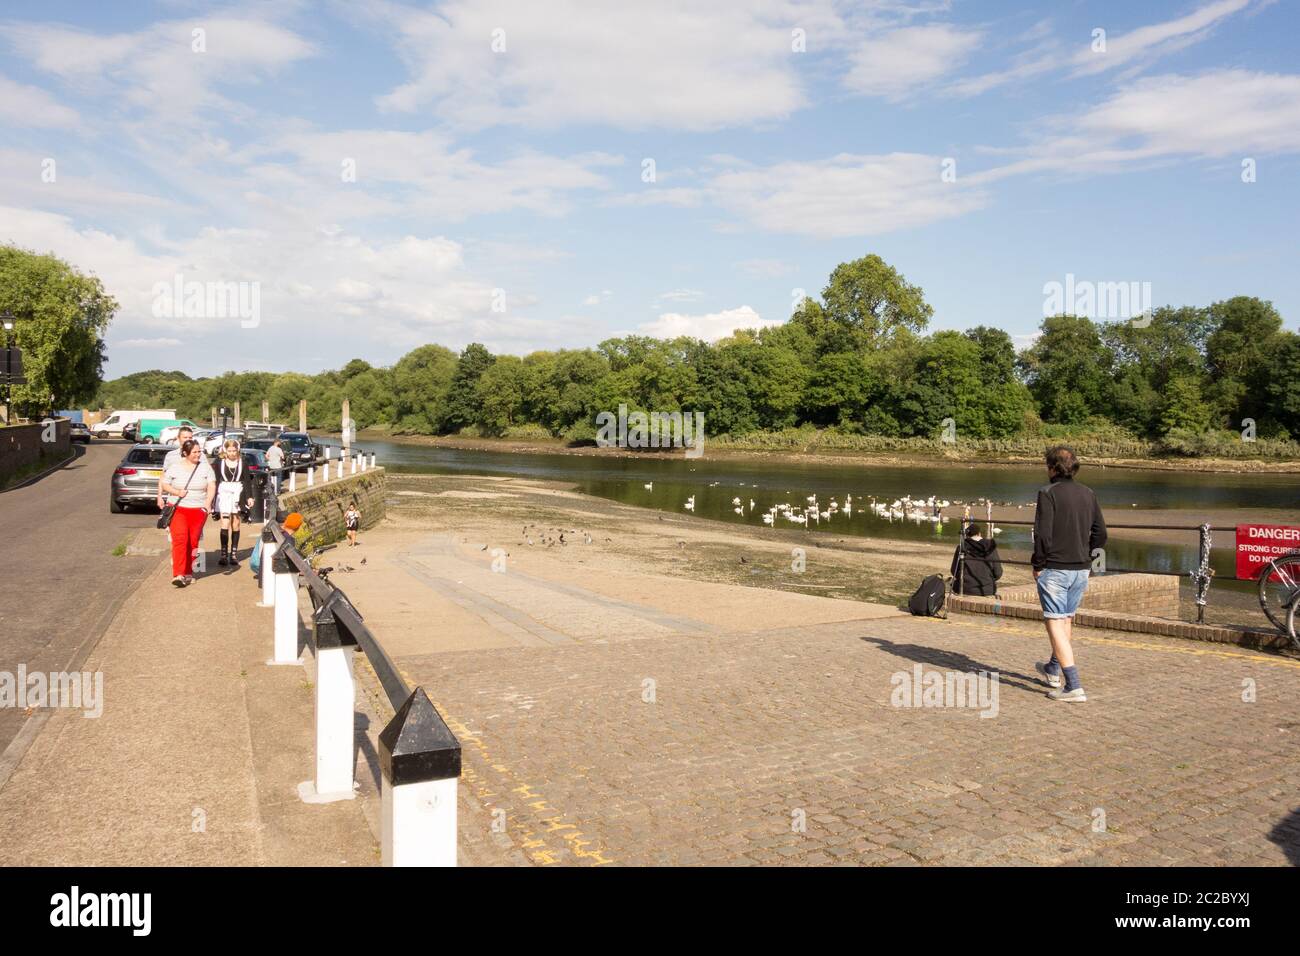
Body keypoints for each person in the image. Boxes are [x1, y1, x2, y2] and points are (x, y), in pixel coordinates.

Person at [1032, 445, 1107, 702]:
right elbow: (1101, 533)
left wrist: (1038, 564)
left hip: (1055, 567)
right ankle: (1053, 668)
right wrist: (1089, 555)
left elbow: (1042, 534)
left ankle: (1073, 685)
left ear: (1052, 468)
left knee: (1054, 621)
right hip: (1081, 568)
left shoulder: (1047, 493)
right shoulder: (1088, 493)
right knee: (1065, 619)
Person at [160, 438, 216, 587]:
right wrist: (176, 491)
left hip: (198, 510)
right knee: (180, 539)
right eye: (194, 452)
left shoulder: (205, 467)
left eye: (199, 451)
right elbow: (164, 483)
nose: (198, 455)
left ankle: (188, 572)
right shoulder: (175, 467)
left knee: (193, 541)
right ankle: (178, 574)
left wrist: (207, 504)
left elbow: (211, 486)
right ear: (185, 453)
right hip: (178, 508)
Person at [214, 439, 255, 568]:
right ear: (225, 451)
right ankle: (223, 554)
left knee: (236, 523)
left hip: (238, 492)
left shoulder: (243, 463)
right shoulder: (219, 463)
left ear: (238, 450)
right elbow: (215, 481)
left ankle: (233, 554)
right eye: (229, 451)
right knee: (225, 522)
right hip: (224, 493)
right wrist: (212, 499)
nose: (232, 453)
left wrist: (249, 497)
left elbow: (247, 481)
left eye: (234, 451)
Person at [950, 524, 1003, 596]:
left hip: (965, 587)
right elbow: (998, 572)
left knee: (952, 583)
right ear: (979, 533)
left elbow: (954, 570)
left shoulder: (962, 547)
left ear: (968, 535)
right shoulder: (990, 547)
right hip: (986, 589)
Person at [250, 511, 304, 581]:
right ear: (297, 528)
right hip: (267, 570)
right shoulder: (288, 539)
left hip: (257, 564)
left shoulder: (276, 531)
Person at [156, 424, 195, 508]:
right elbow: (163, 477)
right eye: (185, 437)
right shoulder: (171, 456)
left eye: (190, 437)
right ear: (178, 438)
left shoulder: (200, 455)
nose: (188, 440)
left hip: (195, 499)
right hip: (175, 499)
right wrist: (160, 496)